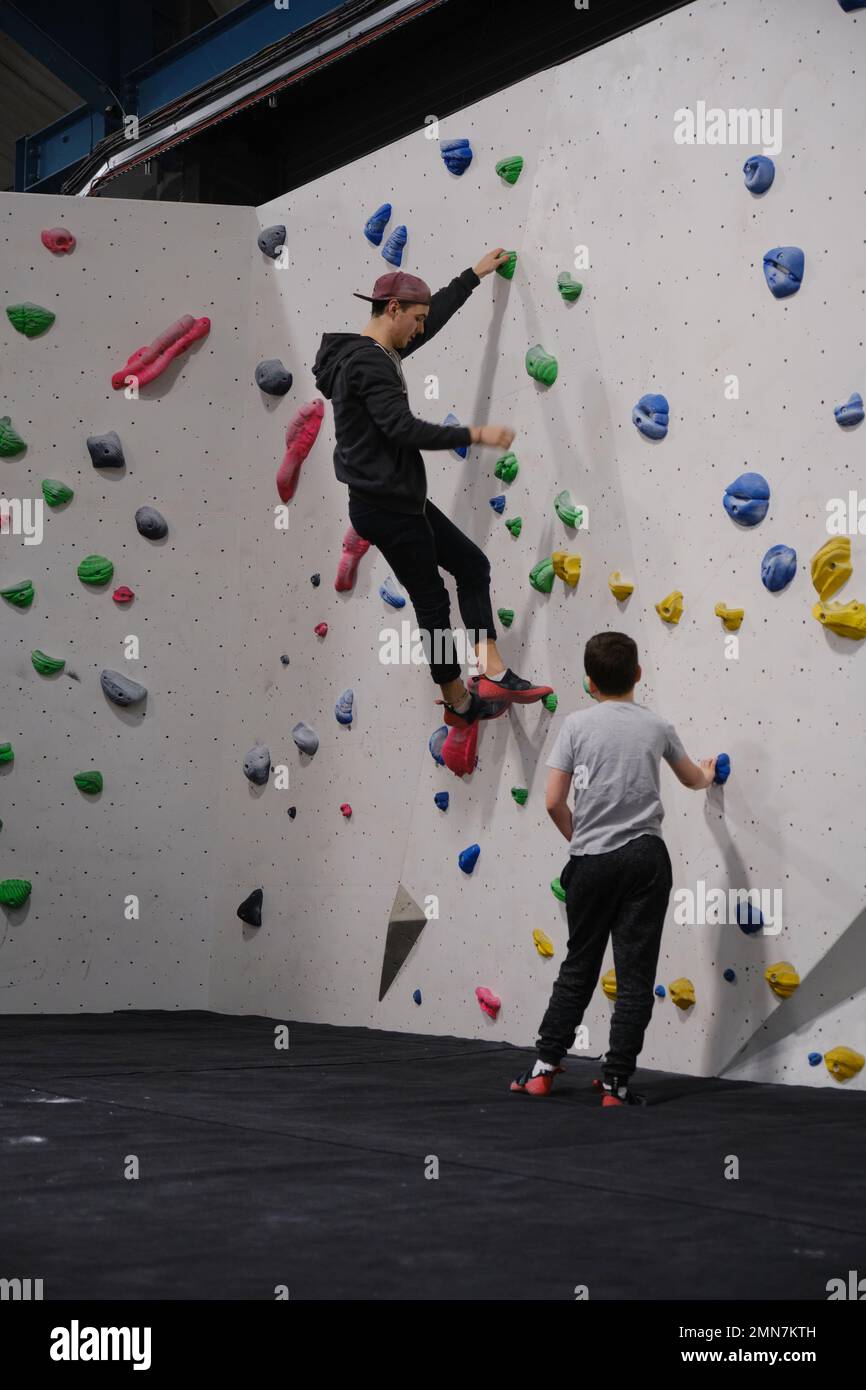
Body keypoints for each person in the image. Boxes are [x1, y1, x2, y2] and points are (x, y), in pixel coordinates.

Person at [312, 253, 552, 769]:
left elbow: (434, 316)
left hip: (396, 499)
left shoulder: (376, 349)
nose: (420, 329)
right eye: (414, 320)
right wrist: (475, 434)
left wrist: (473, 275)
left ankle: (489, 672)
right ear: (392, 308)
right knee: (432, 607)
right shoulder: (367, 364)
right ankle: (460, 704)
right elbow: (403, 429)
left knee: (472, 565)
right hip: (388, 509)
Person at [510, 631, 716, 1107]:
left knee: (578, 967)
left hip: (592, 861)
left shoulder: (577, 727)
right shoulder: (657, 727)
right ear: (638, 674)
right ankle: (616, 1084)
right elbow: (691, 779)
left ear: (589, 682)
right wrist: (708, 773)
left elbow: (553, 802)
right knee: (635, 974)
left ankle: (543, 1069)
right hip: (646, 858)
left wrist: (583, 841)